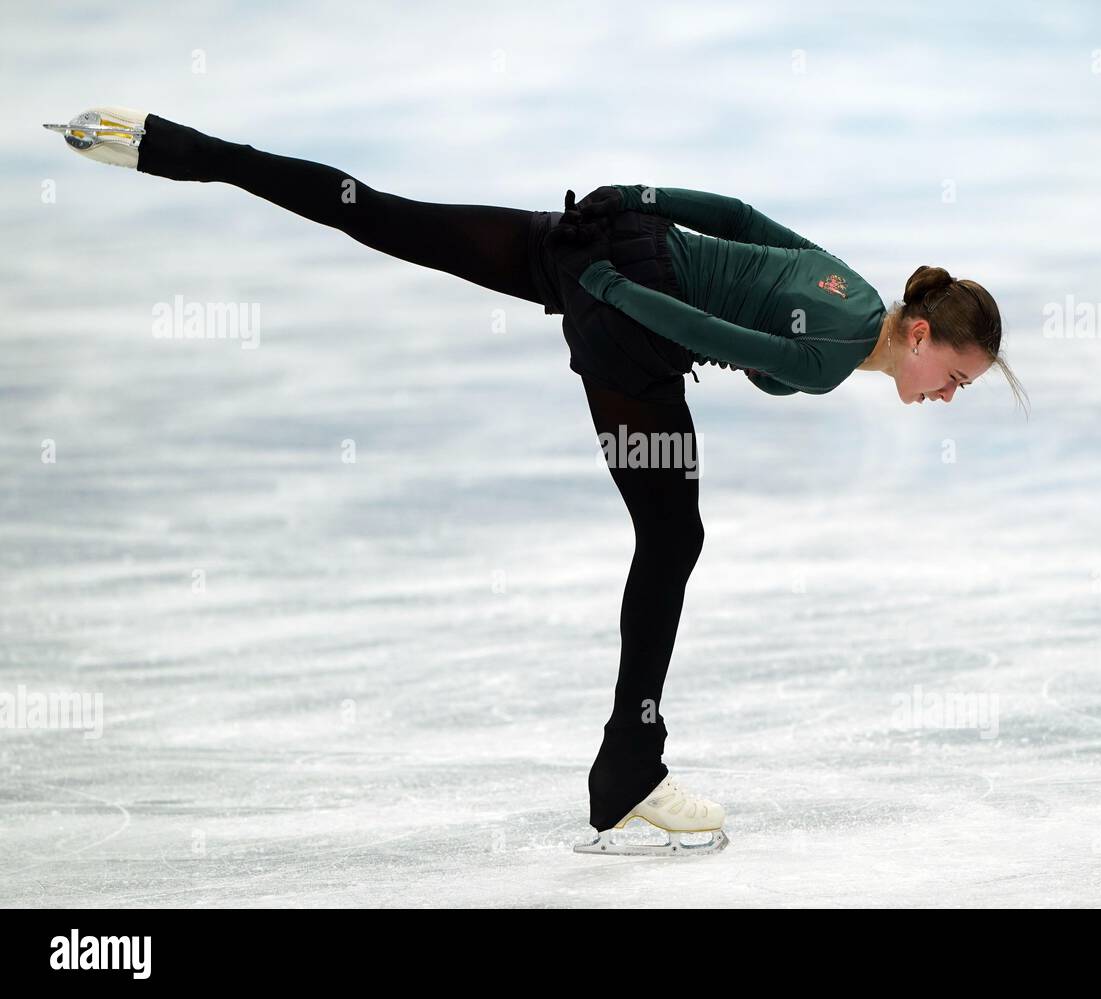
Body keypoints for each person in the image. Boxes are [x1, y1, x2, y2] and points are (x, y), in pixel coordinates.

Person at [45, 107, 1025, 857]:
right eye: (955, 381)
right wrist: (608, 297)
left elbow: (735, 217)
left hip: (603, 240)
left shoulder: (849, 291)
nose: (945, 399)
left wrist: (637, 203)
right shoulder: (831, 355)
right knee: (673, 541)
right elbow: (711, 336)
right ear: (924, 337)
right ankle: (627, 774)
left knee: (382, 216)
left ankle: (168, 144)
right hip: (626, 306)